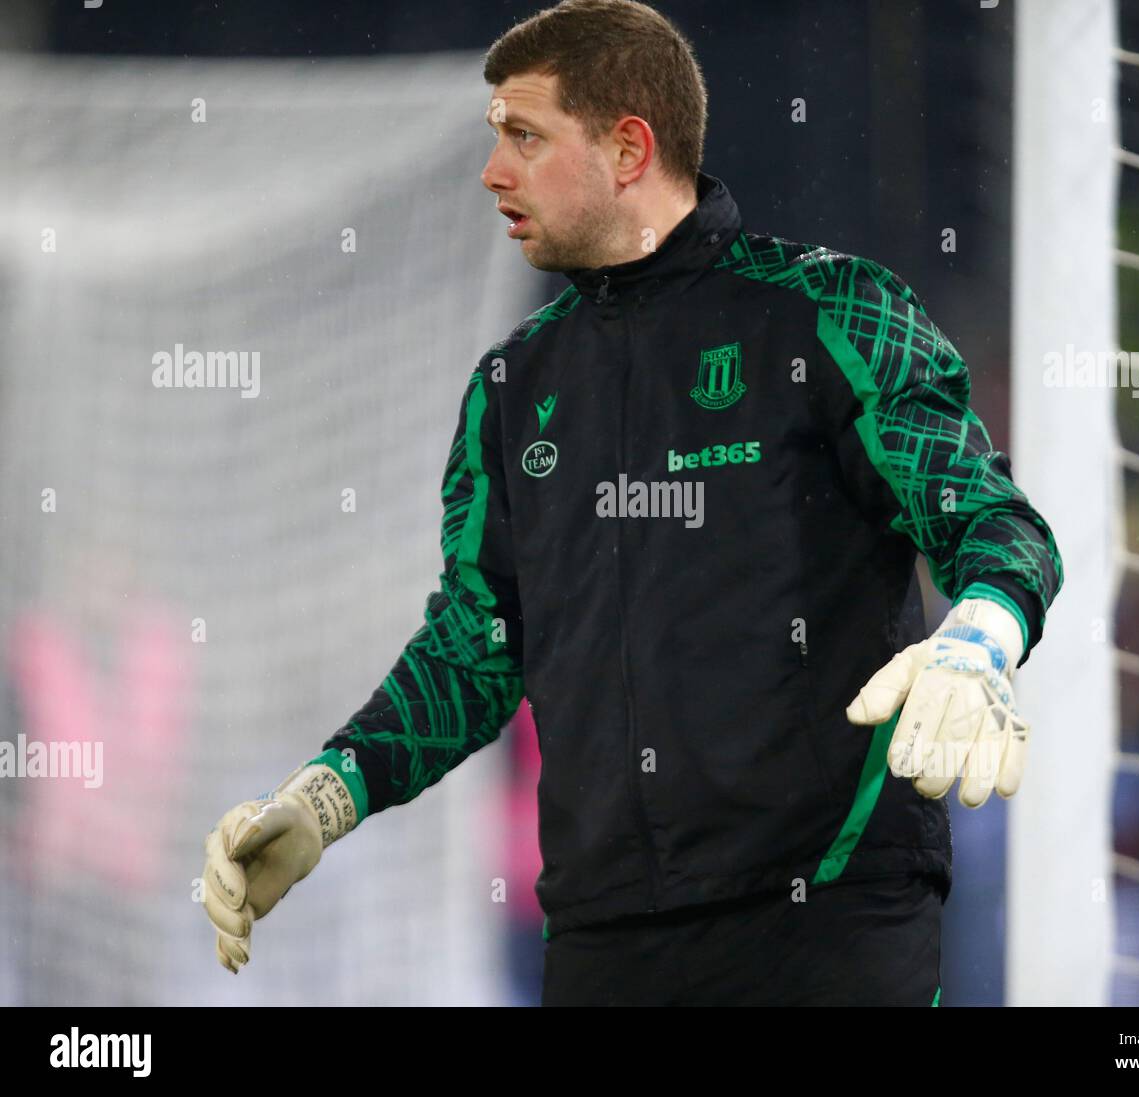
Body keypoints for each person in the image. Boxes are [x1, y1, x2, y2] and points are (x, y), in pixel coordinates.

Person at [201, 0, 1063, 1006]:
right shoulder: (511, 386)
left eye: (525, 137)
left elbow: (998, 526)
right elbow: (473, 649)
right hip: (600, 941)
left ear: (627, 148)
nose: (493, 172)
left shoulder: (834, 312)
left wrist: (978, 638)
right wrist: (325, 794)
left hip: (825, 923)